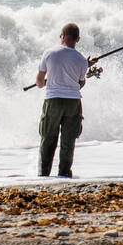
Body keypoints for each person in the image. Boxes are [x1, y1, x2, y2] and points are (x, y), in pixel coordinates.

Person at [35, 23, 93, 178]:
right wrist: (86, 66)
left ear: (62, 35)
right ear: (77, 39)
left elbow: (40, 82)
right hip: (73, 102)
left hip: (53, 100)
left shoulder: (49, 53)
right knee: (68, 140)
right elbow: (80, 84)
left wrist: (47, 82)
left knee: (48, 137)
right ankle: (64, 174)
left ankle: (43, 174)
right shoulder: (81, 60)